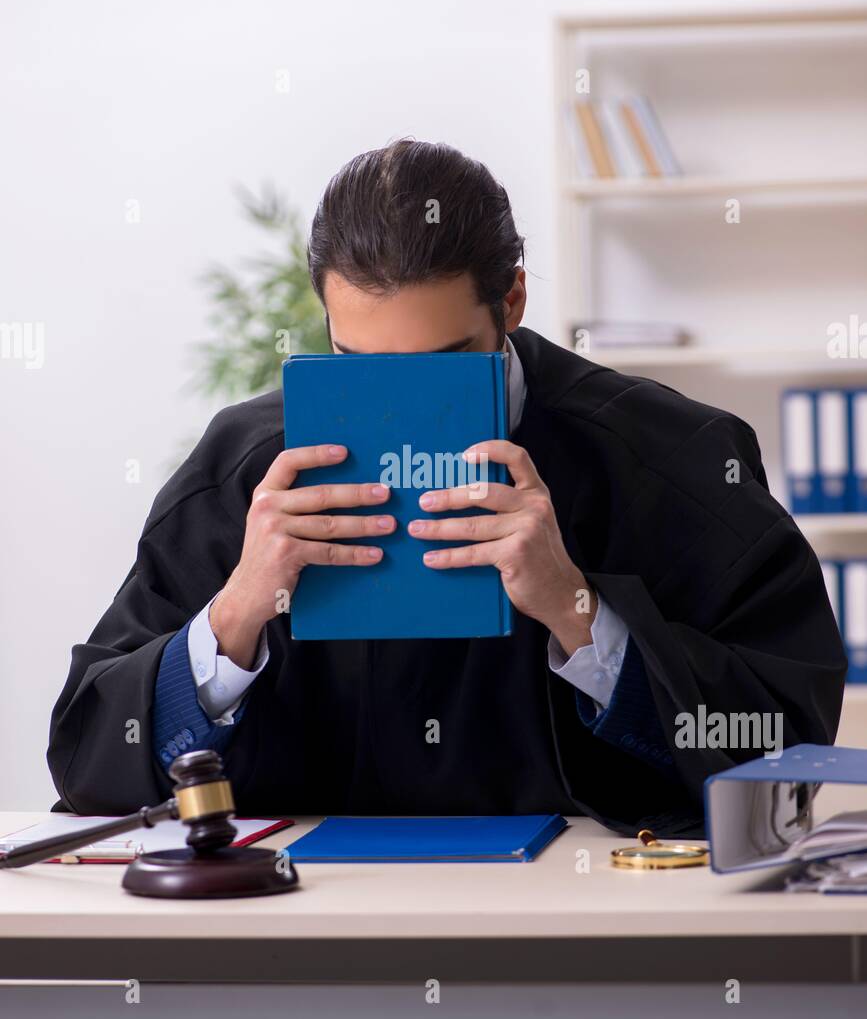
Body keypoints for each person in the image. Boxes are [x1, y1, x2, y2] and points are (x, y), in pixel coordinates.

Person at [46, 139, 846, 835]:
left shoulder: (679, 457)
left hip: (589, 919)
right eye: (358, 366)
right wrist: (236, 615)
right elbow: (85, 753)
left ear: (512, 301)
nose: (404, 402)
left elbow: (783, 752)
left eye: (444, 367)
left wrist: (580, 612)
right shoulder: (244, 467)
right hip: (305, 927)